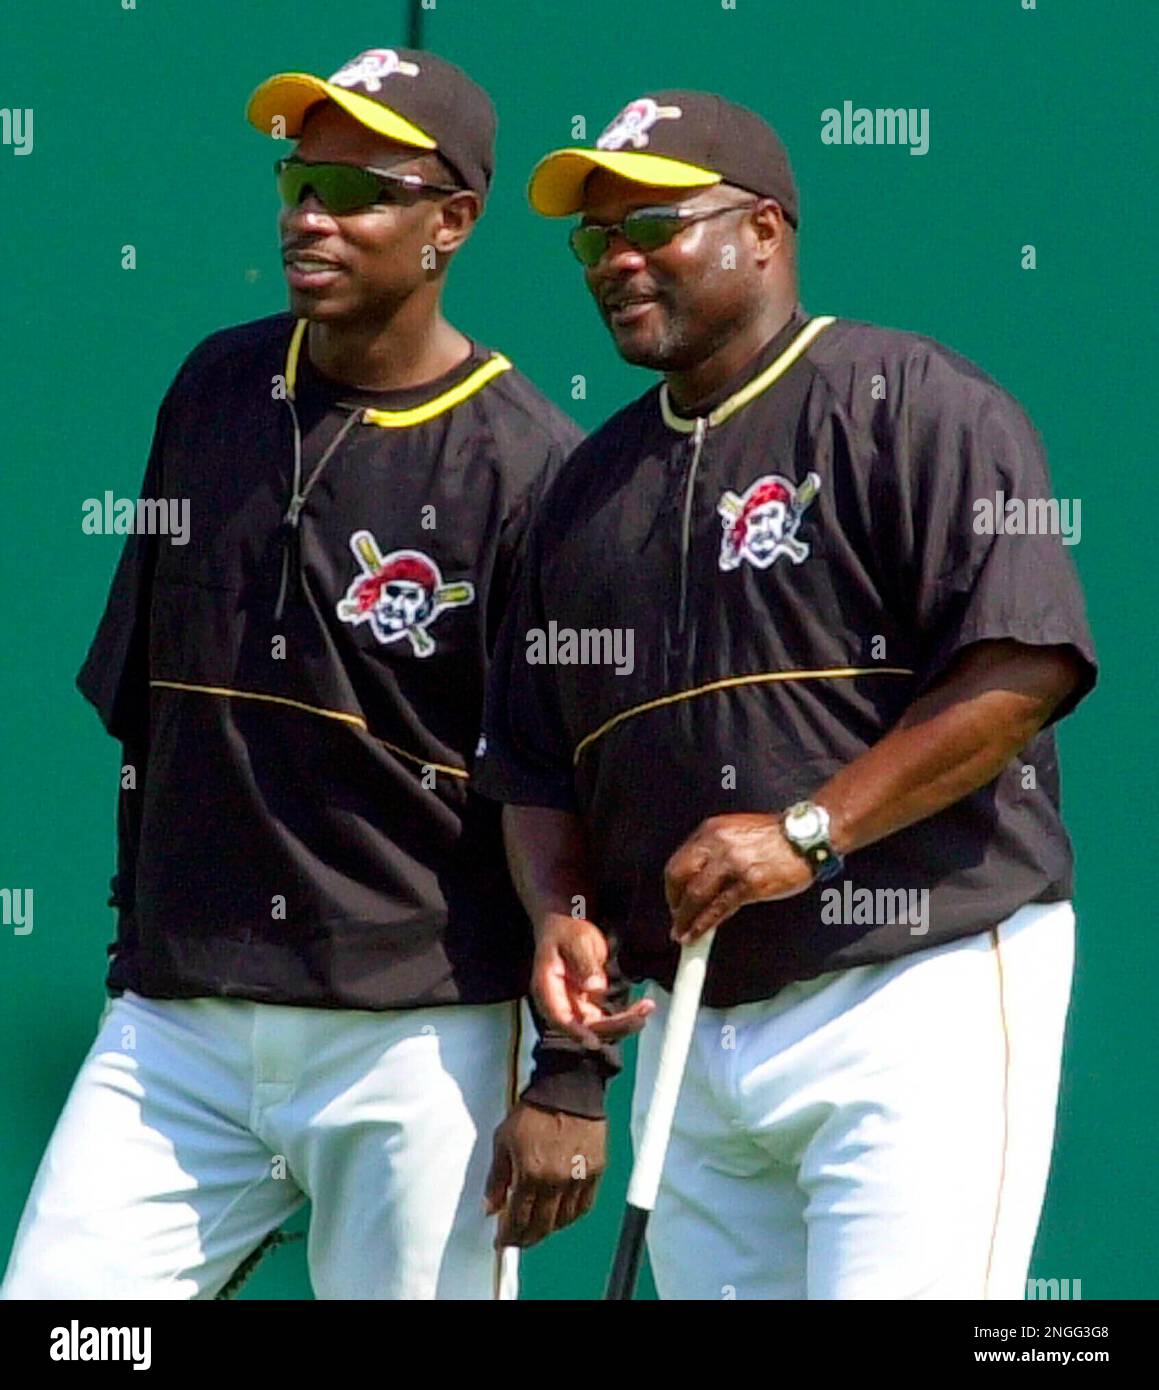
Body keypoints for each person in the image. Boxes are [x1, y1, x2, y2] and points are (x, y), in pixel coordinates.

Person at [476, 90, 1098, 1298]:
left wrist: (809, 830)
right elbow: (537, 768)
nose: (618, 259)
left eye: (652, 223)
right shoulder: (581, 490)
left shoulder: (912, 400)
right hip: (693, 1027)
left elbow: (1022, 666)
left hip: (918, 978)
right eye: (595, 238)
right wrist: (558, 915)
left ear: (764, 228)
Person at [1, 46, 589, 1302]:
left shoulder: (532, 467)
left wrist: (567, 1073)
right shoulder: (215, 384)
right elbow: (149, 710)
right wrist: (132, 950)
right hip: (179, 1023)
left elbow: (570, 792)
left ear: (452, 223)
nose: (309, 212)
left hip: (416, 1035)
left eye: (354, 187)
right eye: (298, 175)